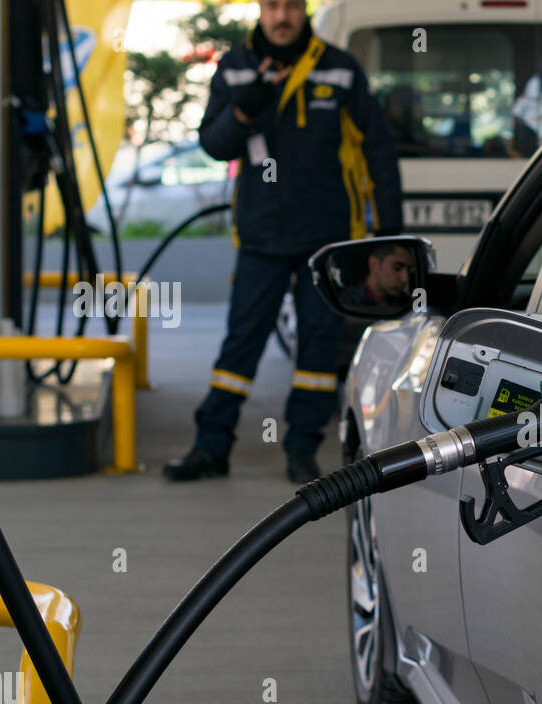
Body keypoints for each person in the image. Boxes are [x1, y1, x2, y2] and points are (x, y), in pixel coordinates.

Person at [163, 0, 402, 484]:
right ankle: (211, 448)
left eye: (291, 5)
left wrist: (389, 237)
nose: (282, 16)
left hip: (326, 238)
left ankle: (302, 451)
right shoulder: (234, 69)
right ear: (260, 10)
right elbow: (214, 145)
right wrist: (245, 108)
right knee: (241, 343)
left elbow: (379, 150)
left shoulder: (339, 68)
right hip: (261, 235)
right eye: (273, 5)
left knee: (317, 347)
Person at [337, 242, 414, 312]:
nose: (405, 279)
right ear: (374, 265)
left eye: (409, 271)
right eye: (397, 267)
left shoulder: (406, 303)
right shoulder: (347, 301)